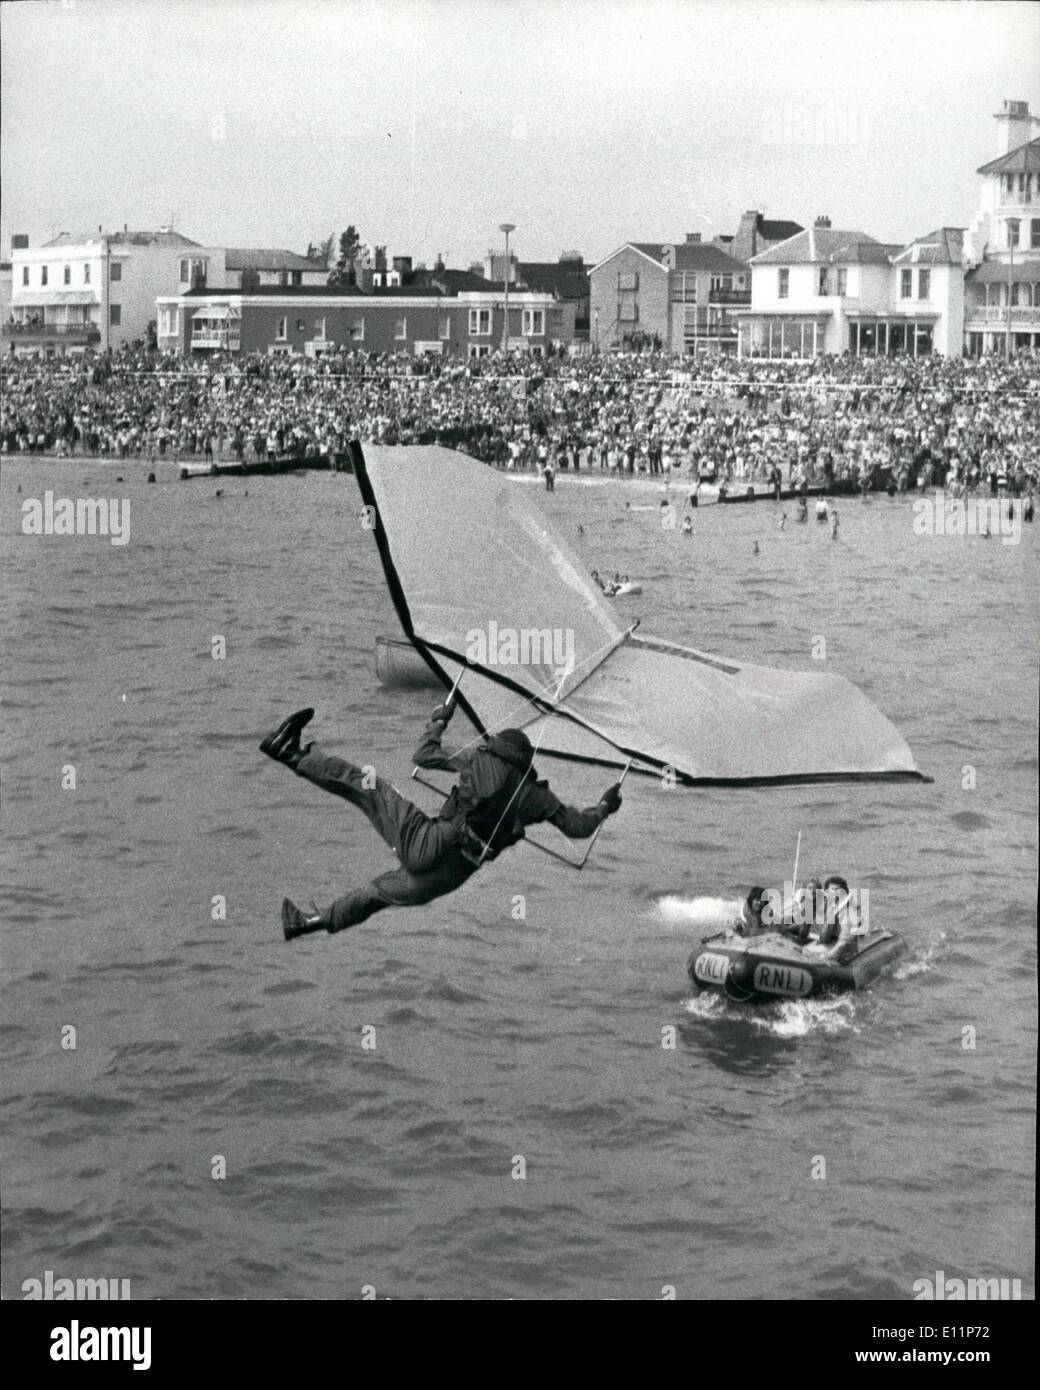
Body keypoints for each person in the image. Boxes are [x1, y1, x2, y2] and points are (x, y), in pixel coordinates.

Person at [261, 704, 624, 940]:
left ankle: (290, 752)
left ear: (501, 748)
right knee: (374, 896)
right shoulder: (538, 797)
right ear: (526, 762)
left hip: (433, 842)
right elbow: (579, 828)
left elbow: (423, 755)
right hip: (455, 873)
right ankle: (305, 924)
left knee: (369, 786)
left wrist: (439, 720)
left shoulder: (481, 758)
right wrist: (604, 806)